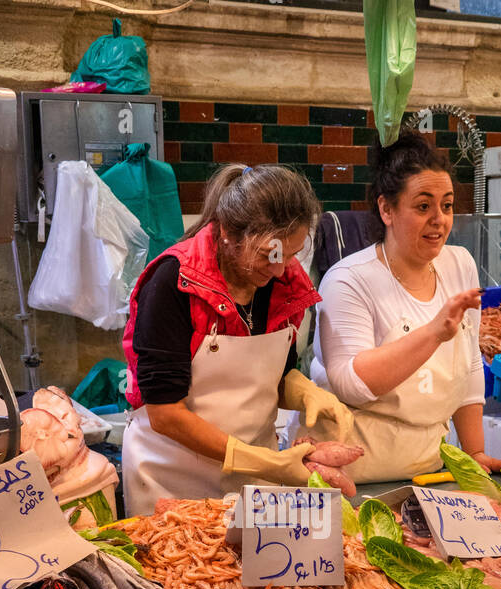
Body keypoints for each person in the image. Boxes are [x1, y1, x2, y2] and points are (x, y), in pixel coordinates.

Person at [121, 164, 353, 516]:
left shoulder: (281, 282)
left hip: (254, 487)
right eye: (268, 255)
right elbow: (164, 413)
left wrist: (304, 391)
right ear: (228, 232)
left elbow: (270, 377)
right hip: (170, 484)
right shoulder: (173, 282)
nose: (280, 269)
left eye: (291, 254)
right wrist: (262, 461)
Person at [305, 129, 501, 483]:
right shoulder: (348, 280)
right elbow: (350, 384)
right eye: (423, 206)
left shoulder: (459, 264)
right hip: (344, 475)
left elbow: (467, 366)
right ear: (386, 209)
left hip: (425, 469)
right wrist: (433, 333)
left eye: (447, 205)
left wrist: (475, 453)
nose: (439, 219)